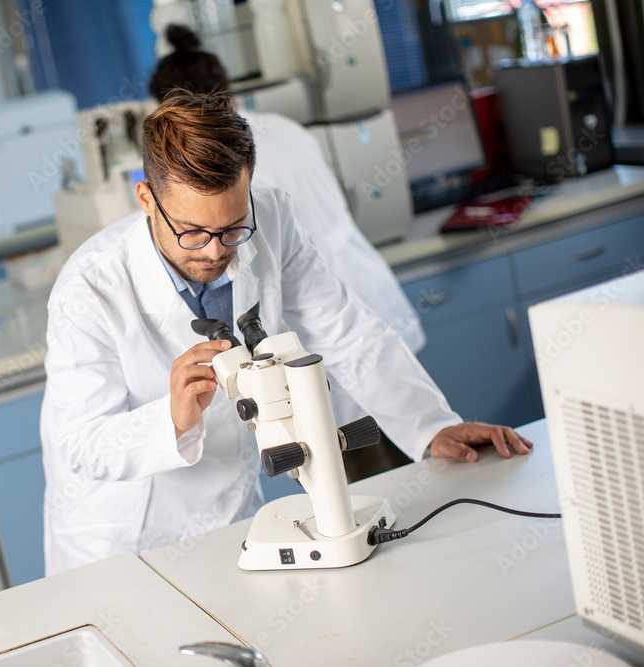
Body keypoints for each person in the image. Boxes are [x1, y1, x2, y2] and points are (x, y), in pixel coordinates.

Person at [40, 92, 531, 576]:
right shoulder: (88, 289)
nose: (214, 252)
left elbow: (348, 332)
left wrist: (431, 426)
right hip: (121, 540)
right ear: (147, 197)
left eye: (233, 229)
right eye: (193, 233)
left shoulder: (271, 218)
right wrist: (170, 417)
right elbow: (79, 442)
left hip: (227, 515)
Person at [149, 25, 426, 434]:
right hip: (369, 300)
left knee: (365, 471)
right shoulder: (284, 127)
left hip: (331, 329)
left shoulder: (228, 174)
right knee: (414, 450)